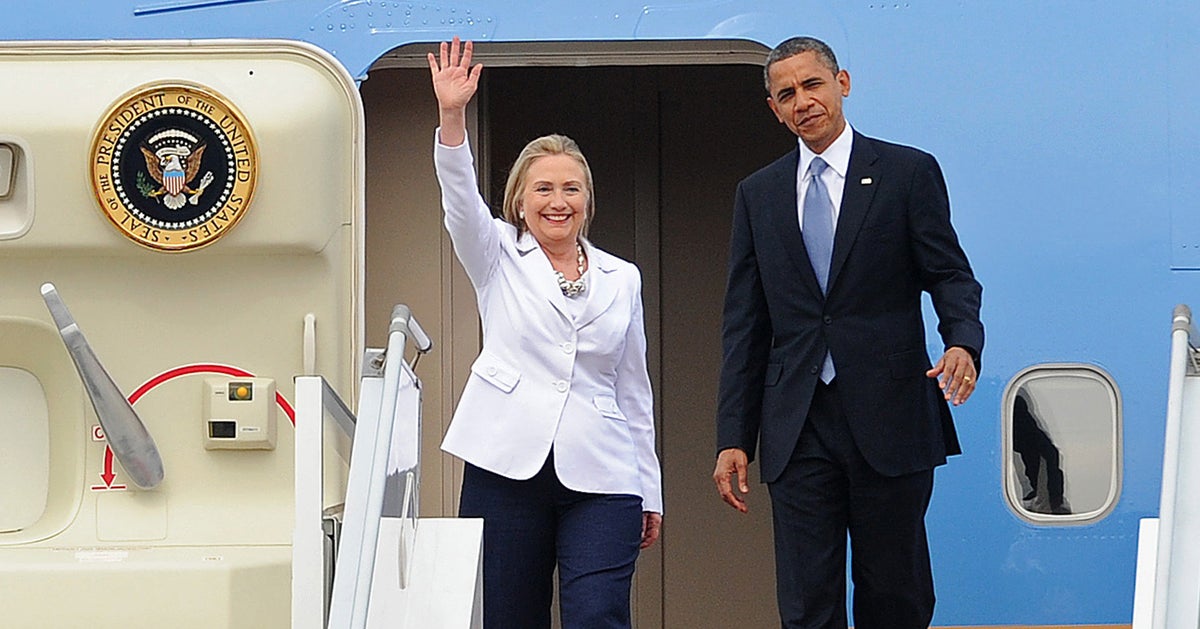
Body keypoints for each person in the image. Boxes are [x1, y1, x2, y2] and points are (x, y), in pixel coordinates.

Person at [712, 36, 984, 629]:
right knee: (808, 603)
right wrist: (733, 434)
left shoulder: (907, 172)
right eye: (787, 94)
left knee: (896, 593)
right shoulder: (757, 195)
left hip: (890, 414)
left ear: (844, 84)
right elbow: (745, 324)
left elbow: (950, 274)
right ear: (774, 109)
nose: (803, 101)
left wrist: (962, 340)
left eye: (813, 84)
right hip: (797, 422)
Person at [427, 38, 663, 629]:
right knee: (509, 616)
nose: (558, 202)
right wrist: (451, 116)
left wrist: (649, 488)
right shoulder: (496, 254)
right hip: (505, 467)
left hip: (603, 473)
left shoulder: (622, 277)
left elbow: (633, 387)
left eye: (570, 189)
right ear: (520, 201)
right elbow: (459, 199)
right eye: (543, 189)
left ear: (587, 200)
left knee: (598, 614)